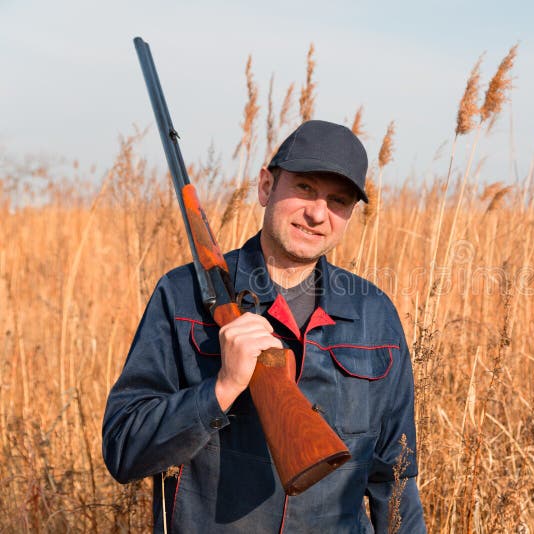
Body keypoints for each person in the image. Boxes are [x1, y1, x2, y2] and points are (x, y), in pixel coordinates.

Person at [102, 120, 426, 533]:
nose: (317, 214)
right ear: (265, 187)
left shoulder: (374, 315)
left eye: (338, 201)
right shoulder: (183, 296)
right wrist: (220, 390)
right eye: (305, 188)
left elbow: (395, 479)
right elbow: (124, 449)